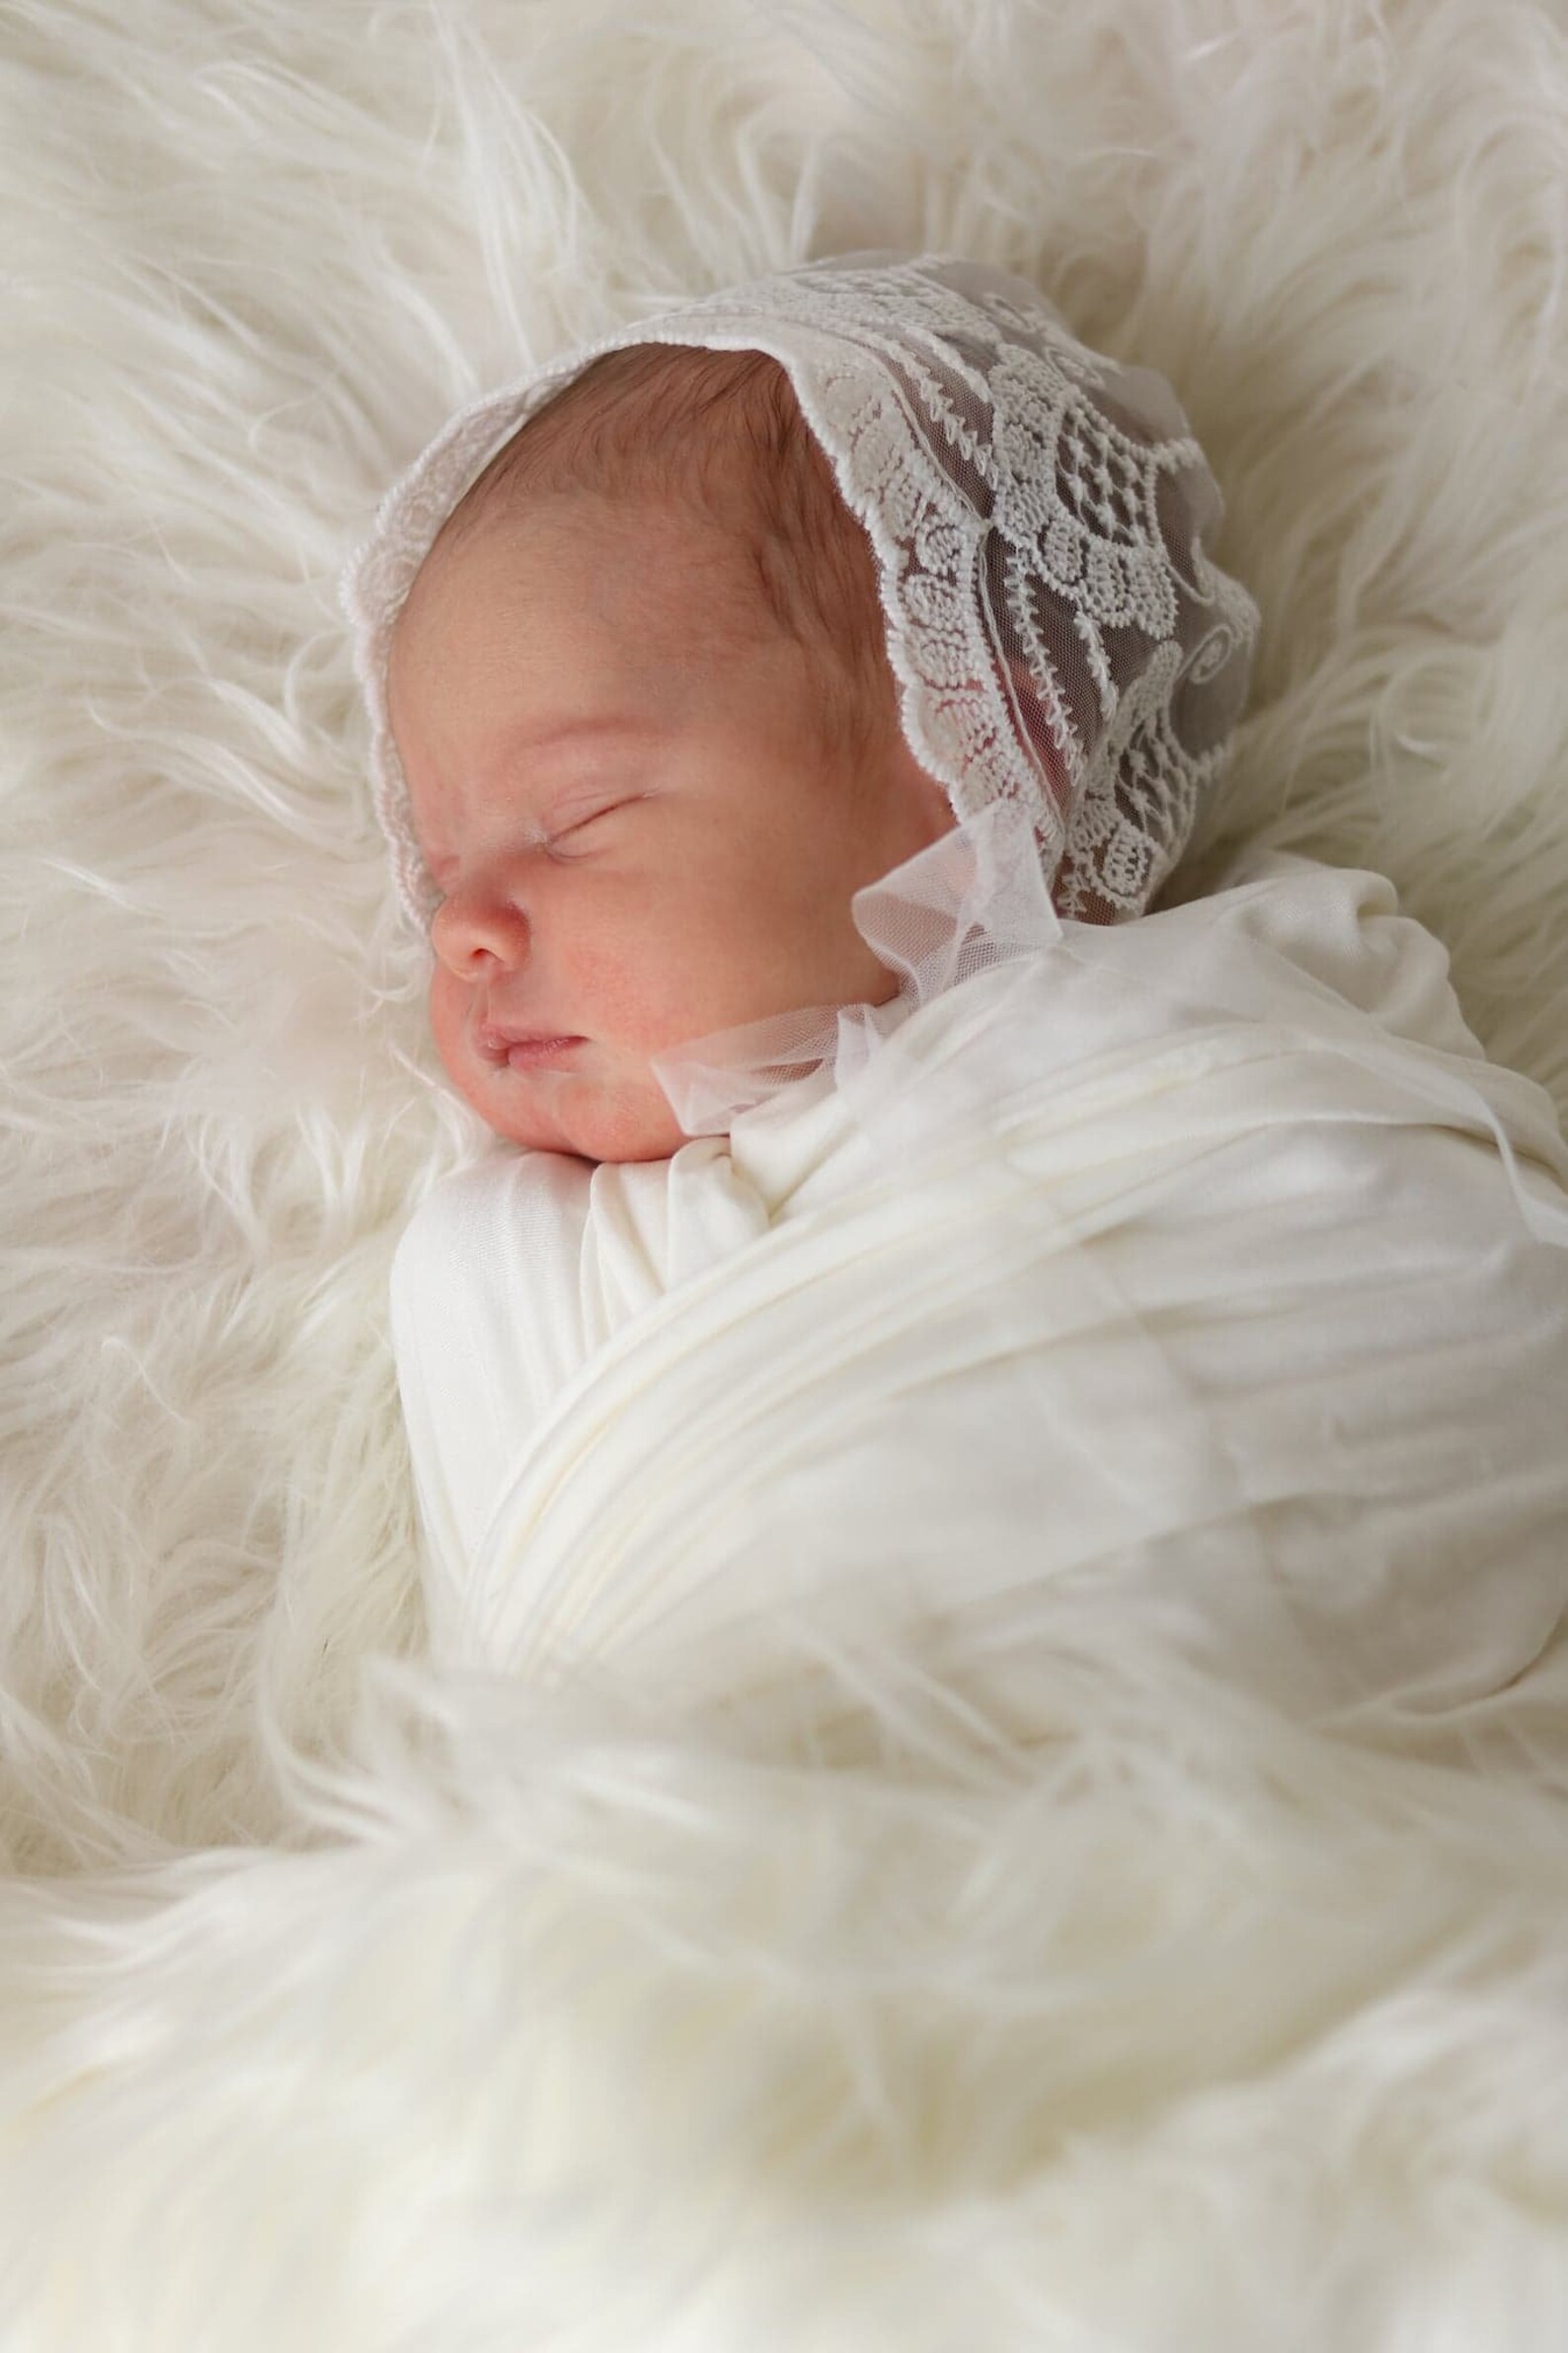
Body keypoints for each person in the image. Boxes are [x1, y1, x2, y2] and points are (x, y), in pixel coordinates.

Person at [341, 254, 1568, 1727]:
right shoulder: (537, 1261)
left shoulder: (1257, 1020)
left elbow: (1460, 1309)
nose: (465, 925)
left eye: (578, 818)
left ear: (968, 762)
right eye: (437, 868)